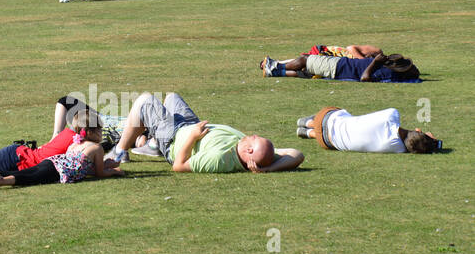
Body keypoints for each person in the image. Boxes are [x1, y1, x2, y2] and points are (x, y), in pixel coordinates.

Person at [105, 92, 304, 173]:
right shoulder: (254, 152)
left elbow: (179, 166)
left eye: (254, 138)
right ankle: (152, 143)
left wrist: (192, 137)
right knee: (172, 97)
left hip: (175, 138)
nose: (251, 135)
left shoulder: (219, 158)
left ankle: (120, 152)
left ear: (250, 152)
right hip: (189, 125)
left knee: (145, 100)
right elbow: (297, 154)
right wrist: (266, 170)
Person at [296, 107, 441, 154]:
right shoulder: (396, 148)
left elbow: (394, 118)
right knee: (343, 135)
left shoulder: (392, 115)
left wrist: (427, 137)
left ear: (418, 130)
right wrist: (427, 143)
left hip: (326, 119)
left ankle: (309, 123)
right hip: (328, 143)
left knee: (340, 116)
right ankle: (309, 133)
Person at [261, 46, 420, 83]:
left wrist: (374, 62)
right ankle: (274, 72)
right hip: (340, 67)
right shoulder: (389, 69)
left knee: (305, 60)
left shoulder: (388, 73)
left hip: (339, 67)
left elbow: (365, 78)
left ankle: (275, 67)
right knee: (305, 73)